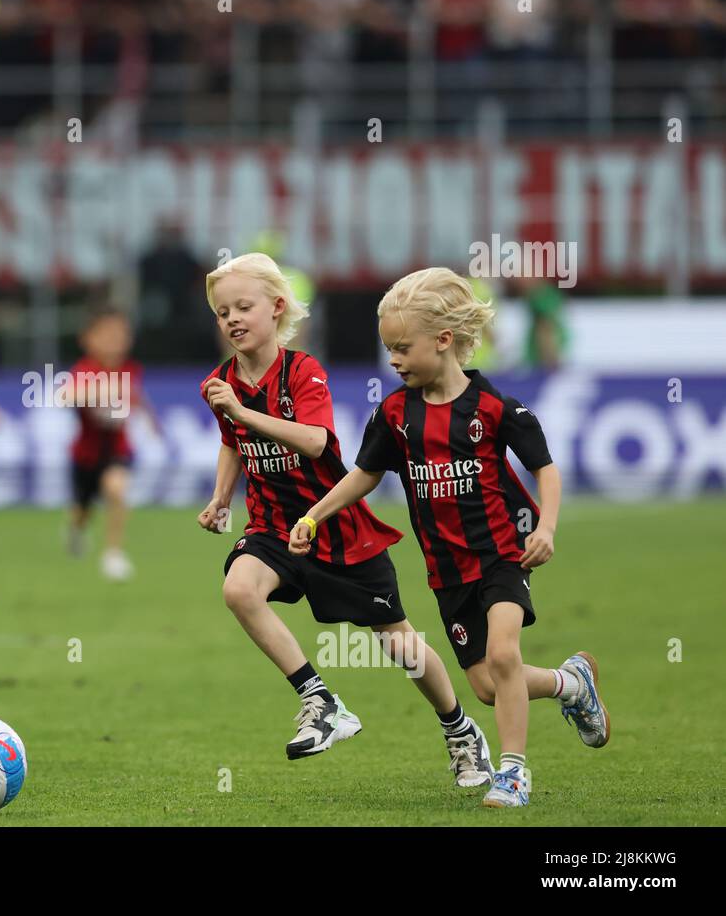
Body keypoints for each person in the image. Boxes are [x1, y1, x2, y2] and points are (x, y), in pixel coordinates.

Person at [291, 267, 610, 808]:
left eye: (402, 348)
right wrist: (315, 516)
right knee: (487, 686)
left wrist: (548, 528)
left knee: (505, 656)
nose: (392, 359)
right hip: (447, 572)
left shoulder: (496, 410)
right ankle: (571, 684)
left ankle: (512, 773)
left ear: (443, 342)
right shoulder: (394, 416)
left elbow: (546, 471)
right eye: (388, 348)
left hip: (504, 554)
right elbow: (364, 475)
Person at [199, 253, 493, 782]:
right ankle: (321, 702)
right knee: (239, 589)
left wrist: (243, 413)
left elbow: (316, 442)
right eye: (223, 312)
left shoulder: (303, 372)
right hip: (272, 528)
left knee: (397, 640)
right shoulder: (220, 381)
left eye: (244, 306)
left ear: (277, 308)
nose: (233, 319)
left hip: (335, 528)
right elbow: (231, 441)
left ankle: (459, 730)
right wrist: (222, 495)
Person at [65, 307, 157, 582]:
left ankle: (113, 553)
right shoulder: (85, 369)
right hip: (85, 455)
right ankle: (76, 529)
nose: (114, 341)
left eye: (120, 335)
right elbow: (67, 395)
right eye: (106, 335)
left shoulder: (130, 369)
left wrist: (151, 419)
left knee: (117, 489)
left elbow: (135, 395)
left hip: (118, 449)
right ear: (89, 339)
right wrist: (101, 389)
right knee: (82, 510)